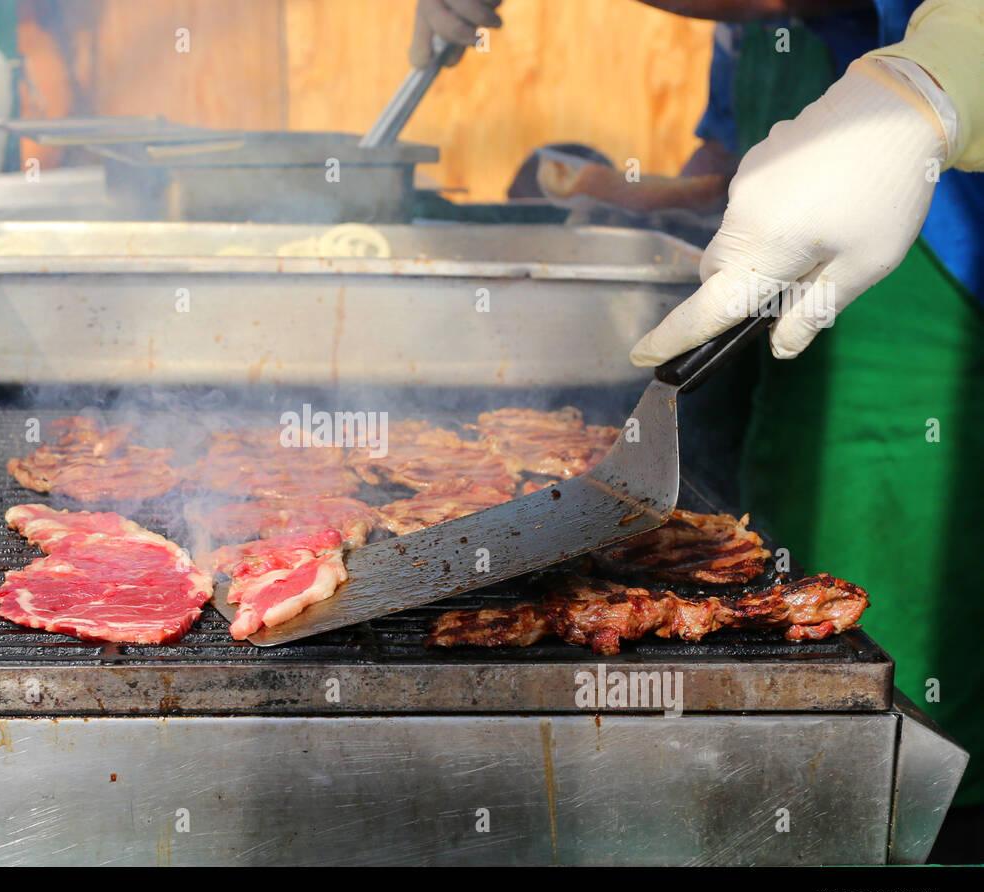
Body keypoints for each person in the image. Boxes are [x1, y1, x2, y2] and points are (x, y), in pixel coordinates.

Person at [412, 0, 984, 837]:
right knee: (770, 575)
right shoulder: (752, 43)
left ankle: (917, 863)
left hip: (936, 287)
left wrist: (921, 94)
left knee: (917, 677)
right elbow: (732, 151)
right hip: (812, 298)